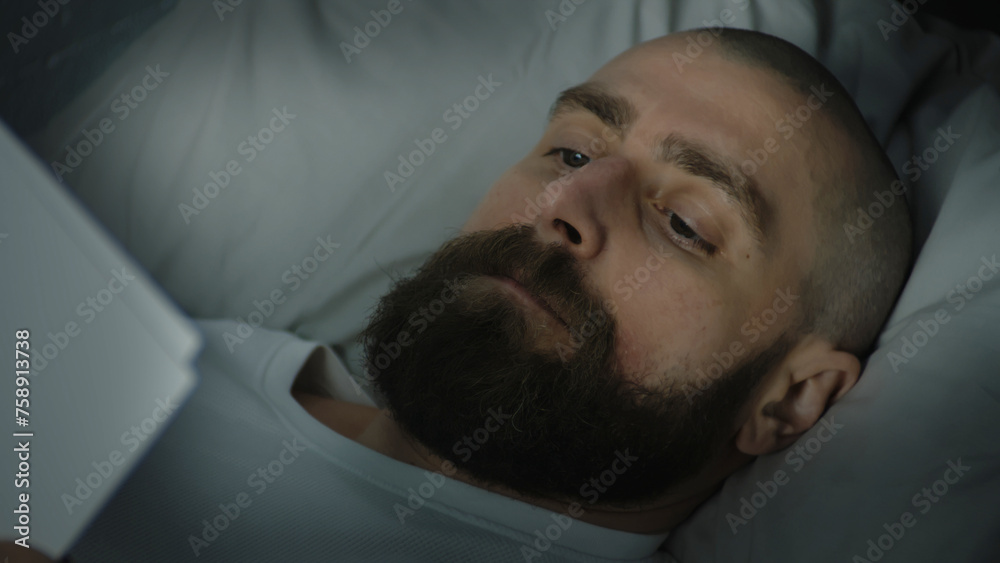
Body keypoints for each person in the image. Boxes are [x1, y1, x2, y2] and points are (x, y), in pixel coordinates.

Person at [64, 27, 911, 562]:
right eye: (573, 152)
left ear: (790, 397)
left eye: (686, 223)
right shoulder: (149, 353)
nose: (563, 206)